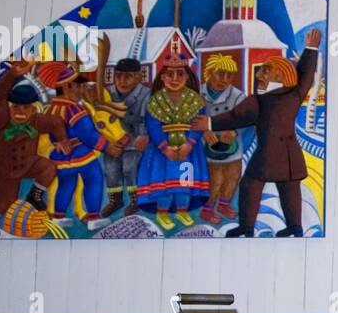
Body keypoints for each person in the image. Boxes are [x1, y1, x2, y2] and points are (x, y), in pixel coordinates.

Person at [192, 29, 323, 238]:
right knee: (289, 189)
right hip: (289, 155)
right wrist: (311, 49)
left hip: (267, 154)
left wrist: (209, 122)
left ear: (279, 75)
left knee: (250, 185)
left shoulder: (259, 101)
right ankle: (295, 227)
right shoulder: (294, 95)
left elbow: (235, 117)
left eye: (266, 71)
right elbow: (306, 76)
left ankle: (247, 227)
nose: (259, 75)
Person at [0, 57, 70, 236]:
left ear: (32, 109)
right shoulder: (3, 120)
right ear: (10, 107)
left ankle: (35, 194)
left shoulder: (37, 120)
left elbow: (55, 122)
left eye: (25, 108)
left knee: (49, 167)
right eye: (16, 107)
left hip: (29, 163)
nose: (20, 112)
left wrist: (62, 139)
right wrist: (11, 75)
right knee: (6, 201)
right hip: (7, 170)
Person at [36, 61, 122, 230]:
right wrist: (107, 147)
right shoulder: (74, 109)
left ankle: (59, 216)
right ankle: (93, 218)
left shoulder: (51, 109)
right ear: (67, 86)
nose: (82, 90)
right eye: (79, 86)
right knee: (94, 179)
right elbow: (88, 135)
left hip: (60, 157)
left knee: (66, 184)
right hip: (80, 154)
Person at [136, 54, 209, 230]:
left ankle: (182, 210)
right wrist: (164, 147)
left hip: (188, 149)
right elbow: (153, 126)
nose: (175, 79)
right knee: (163, 181)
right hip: (161, 150)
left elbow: (199, 123)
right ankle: (162, 212)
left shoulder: (196, 100)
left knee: (184, 182)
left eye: (180, 74)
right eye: (170, 74)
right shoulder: (155, 101)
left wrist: (189, 144)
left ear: (187, 77)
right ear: (162, 77)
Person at [198, 53, 247, 225]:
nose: (224, 79)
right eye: (220, 73)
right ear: (210, 72)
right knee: (215, 180)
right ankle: (208, 209)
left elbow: (245, 118)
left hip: (232, 146)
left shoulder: (238, 96)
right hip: (209, 146)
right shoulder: (198, 94)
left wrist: (234, 131)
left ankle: (224, 205)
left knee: (233, 177)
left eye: (229, 75)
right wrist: (203, 132)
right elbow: (191, 119)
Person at [102, 57, 150, 217]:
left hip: (133, 140)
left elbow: (146, 118)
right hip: (112, 141)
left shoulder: (145, 94)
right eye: (118, 76)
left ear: (138, 76)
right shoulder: (107, 93)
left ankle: (136, 200)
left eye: (127, 76)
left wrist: (143, 135)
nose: (122, 80)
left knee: (130, 169)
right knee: (110, 170)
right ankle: (115, 200)